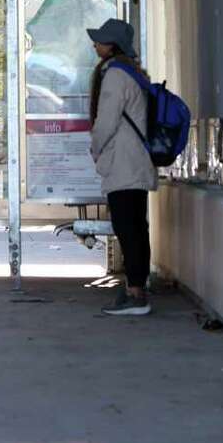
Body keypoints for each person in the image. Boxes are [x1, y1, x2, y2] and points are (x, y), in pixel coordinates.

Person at [87, 17, 158, 316]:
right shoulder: (133, 73)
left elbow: (106, 120)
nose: (95, 44)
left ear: (112, 45)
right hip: (136, 163)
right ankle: (137, 287)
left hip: (124, 164)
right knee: (137, 228)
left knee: (127, 228)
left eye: (100, 40)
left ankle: (135, 295)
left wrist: (95, 147)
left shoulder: (115, 75)